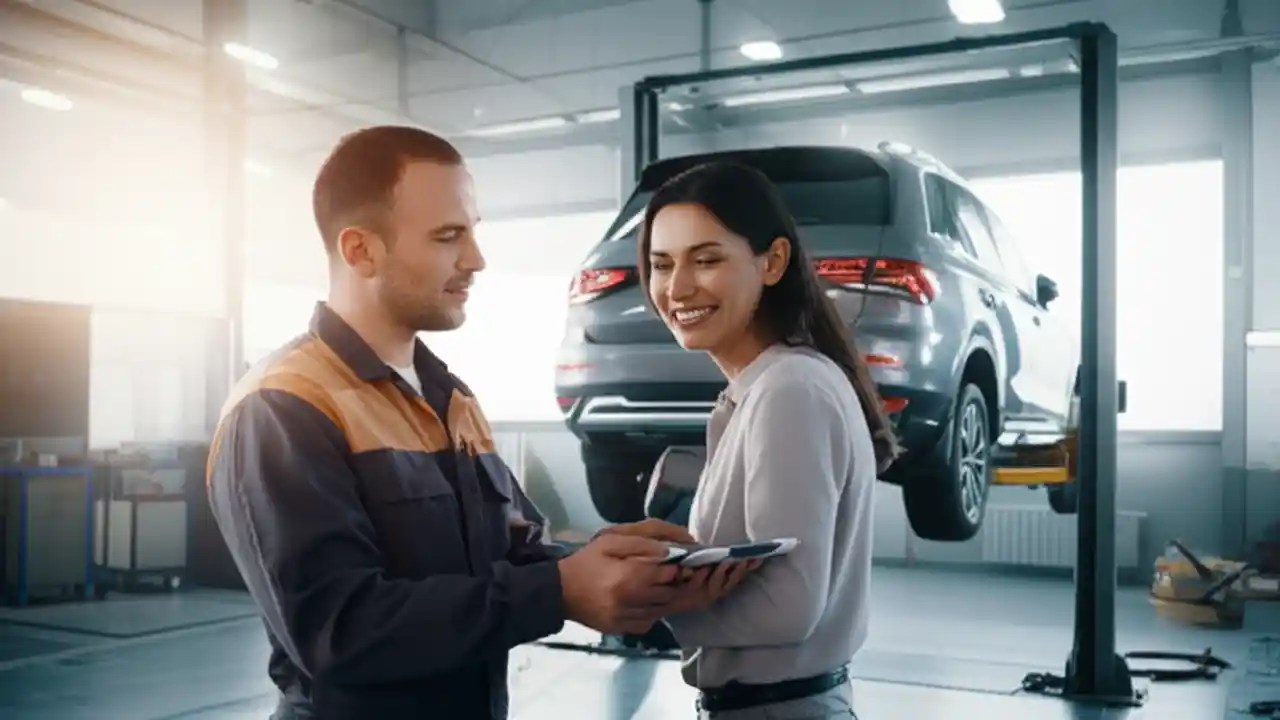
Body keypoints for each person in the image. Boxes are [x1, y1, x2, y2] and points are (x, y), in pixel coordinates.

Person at [205, 126, 691, 719]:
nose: (476, 260)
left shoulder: (450, 399)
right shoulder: (285, 406)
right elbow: (338, 629)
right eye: (447, 236)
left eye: (473, 232)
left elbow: (516, 549)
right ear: (360, 250)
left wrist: (601, 560)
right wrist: (560, 590)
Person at [637, 161, 901, 719]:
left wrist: (641, 601)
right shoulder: (765, 388)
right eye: (662, 265)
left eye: (706, 260)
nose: (677, 287)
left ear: (773, 261)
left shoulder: (791, 389)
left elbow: (788, 607)